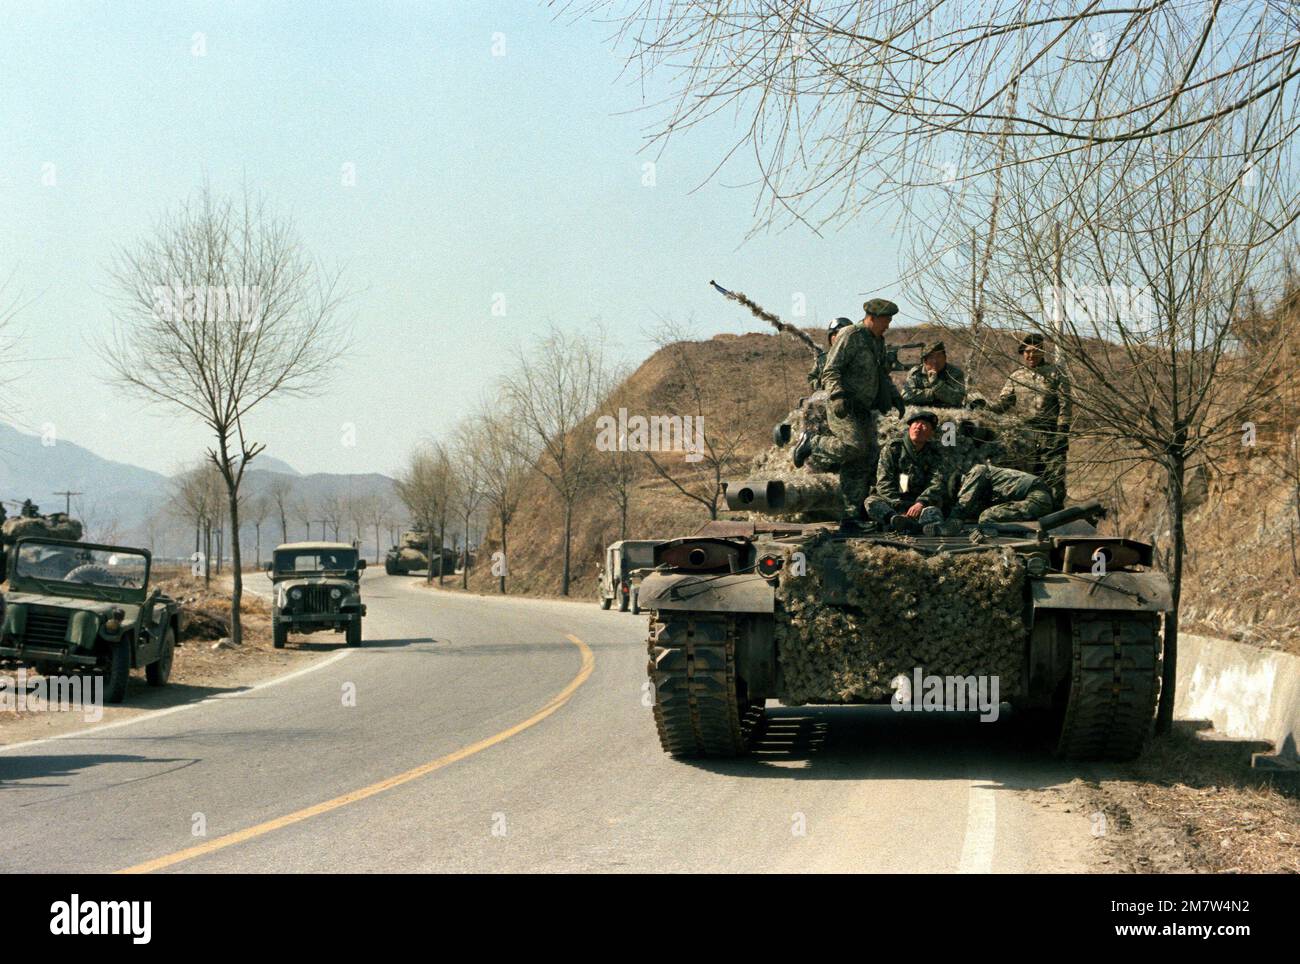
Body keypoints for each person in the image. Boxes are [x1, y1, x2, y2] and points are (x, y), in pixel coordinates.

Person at [795, 300, 906, 512]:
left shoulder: (878, 341)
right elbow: (830, 369)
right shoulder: (851, 335)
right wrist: (837, 395)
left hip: (864, 408)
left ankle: (852, 512)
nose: (888, 325)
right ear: (871, 318)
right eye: (886, 320)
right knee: (853, 447)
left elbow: (882, 375)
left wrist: (895, 397)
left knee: (865, 459)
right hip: (845, 405)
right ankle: (812, 442)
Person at [988, 333, 1072, 507]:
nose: (1031, 355)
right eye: (1027, 352)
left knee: (1054, 477)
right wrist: (984, 407)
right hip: (1024, 435)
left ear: (1042, 351)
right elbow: (1004, 403)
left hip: (1050, 433)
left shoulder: (1056, 373)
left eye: (1035, 351)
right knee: (1026, 478)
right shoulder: (1016, 376)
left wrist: (1062, 432)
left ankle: (1056, 514)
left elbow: (1065, 403)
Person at [864, 411, 948, 529]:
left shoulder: (934, 454)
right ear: (909, 428)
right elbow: (884, 482)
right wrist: (898, 505)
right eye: (916, 423)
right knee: (871, 502)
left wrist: (921, 503)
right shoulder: (893, 449)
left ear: (931, 433)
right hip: (894, 501)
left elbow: (937, 482)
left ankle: (913, 524)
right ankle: (895, 520)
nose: (918, 427)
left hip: (918, 503)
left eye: (924, 424)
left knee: (933, 511)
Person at [950, 463, 1054, 524]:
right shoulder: (990, 481)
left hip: (1037, 499)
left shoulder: (977, 471)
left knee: (986, 516)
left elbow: (965, 502)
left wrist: (951, 522)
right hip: (1039, 499)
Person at [901, 341, 967, 408]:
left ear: (945, 358)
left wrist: (936, 383)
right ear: (925, 361)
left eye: (939, 356)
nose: (935, 361)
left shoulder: (954, 373)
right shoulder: (915, 373)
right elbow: (906, 396)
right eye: (931, 357)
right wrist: (934, 394)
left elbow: (957, 399)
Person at [807, 316, 855, 391]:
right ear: (830, 337)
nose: (839, 338)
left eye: (843, 335)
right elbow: (811, 378)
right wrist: (822, 384)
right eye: (836, 334)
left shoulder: (858, 357)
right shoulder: (822, 360)